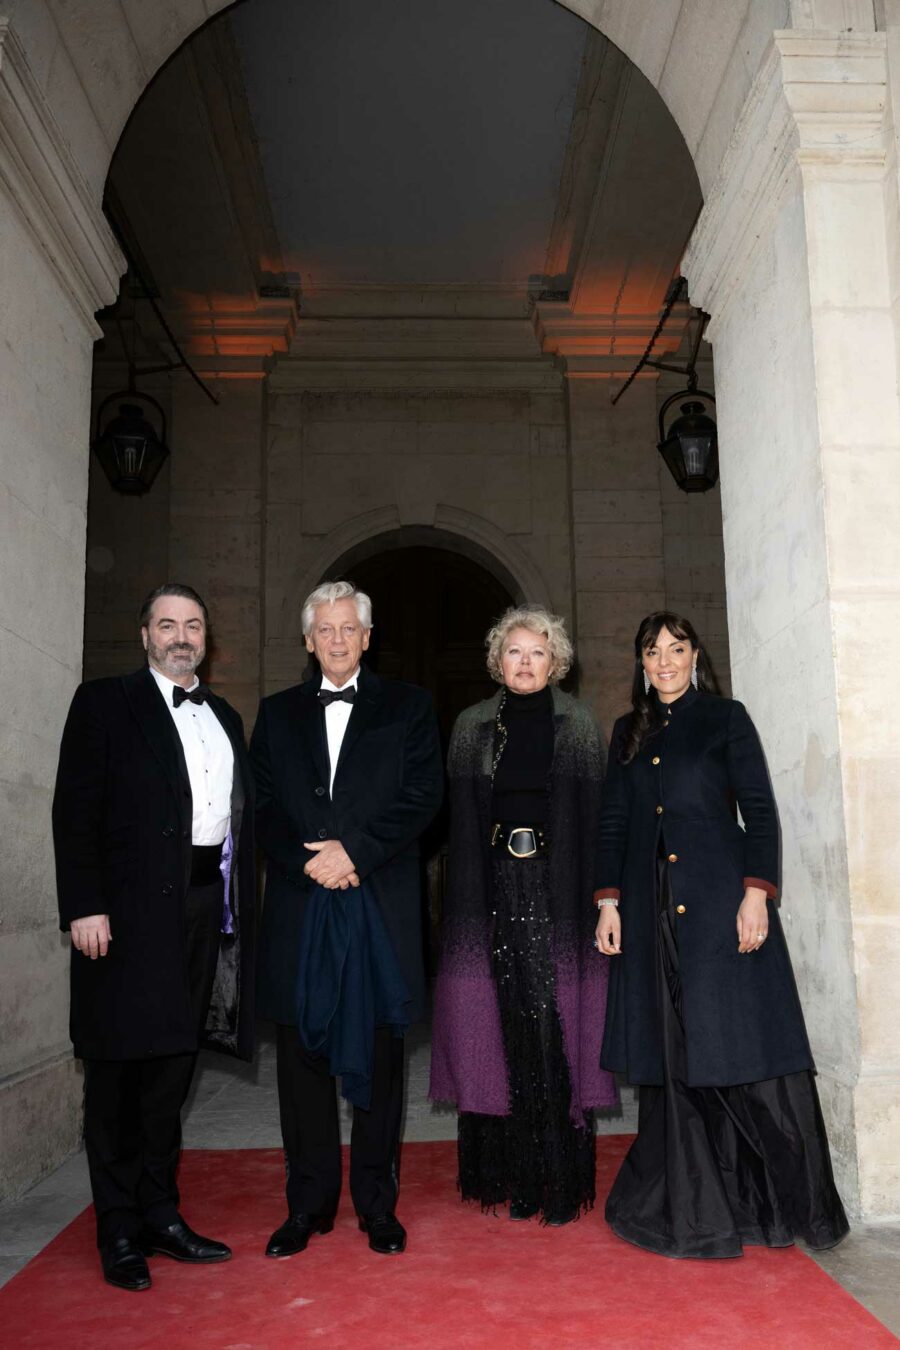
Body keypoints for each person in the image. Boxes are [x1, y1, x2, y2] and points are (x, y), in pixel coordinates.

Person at [596, 610, 849, 1258]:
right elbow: (613, 826)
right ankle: (698, 1213)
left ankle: (789, 1204)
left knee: (747, 1055)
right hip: (652, 919)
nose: (664, 662)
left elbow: (760, 813)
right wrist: (608, 903)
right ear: (641, 663)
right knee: (675, 1060)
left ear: (695, 655)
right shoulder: (627, 732)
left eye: (676, 649)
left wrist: (757, 894)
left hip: (719, 911)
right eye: (652, 652)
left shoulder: (726, 719)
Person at [52, 583, 256, 1292]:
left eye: (193, 625)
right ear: (143, 635)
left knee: (173, 1069)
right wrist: (83, 905)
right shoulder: (104, 704)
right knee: (115, 1073)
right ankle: (116, 1227)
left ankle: (161, 1214)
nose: (180, 636)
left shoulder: (225, 715)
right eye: (167, 624)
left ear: (207, 638)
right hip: (122, 916)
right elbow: (74, 811)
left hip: (204, 910)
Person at [251, 580, 442, 1258]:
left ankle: (377, 1205)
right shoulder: (275, 715)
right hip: (303, 906)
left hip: (376, 902)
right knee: (302, 1063)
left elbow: (425, 796)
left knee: (382, 1062)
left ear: (367, 636)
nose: (336, 639)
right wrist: (311, 862)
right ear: (308, 640)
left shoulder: (411, 707)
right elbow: (262, 803)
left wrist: (353, 852)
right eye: (323, 629)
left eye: (347, 628)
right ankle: (306, 1207)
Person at [430, 606, 616, 1225]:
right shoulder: (470, 726)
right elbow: (453, 821)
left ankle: (558, 1180)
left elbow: (598, 824)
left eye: (538, 652)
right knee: (500, 1027)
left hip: (559, 892)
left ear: (556, 661)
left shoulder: (581, 725)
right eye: (514, 651)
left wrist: (604, 901)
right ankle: (511, 1179)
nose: (526, 662)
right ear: (497, 659)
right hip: (490, 892)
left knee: (553, 1028)